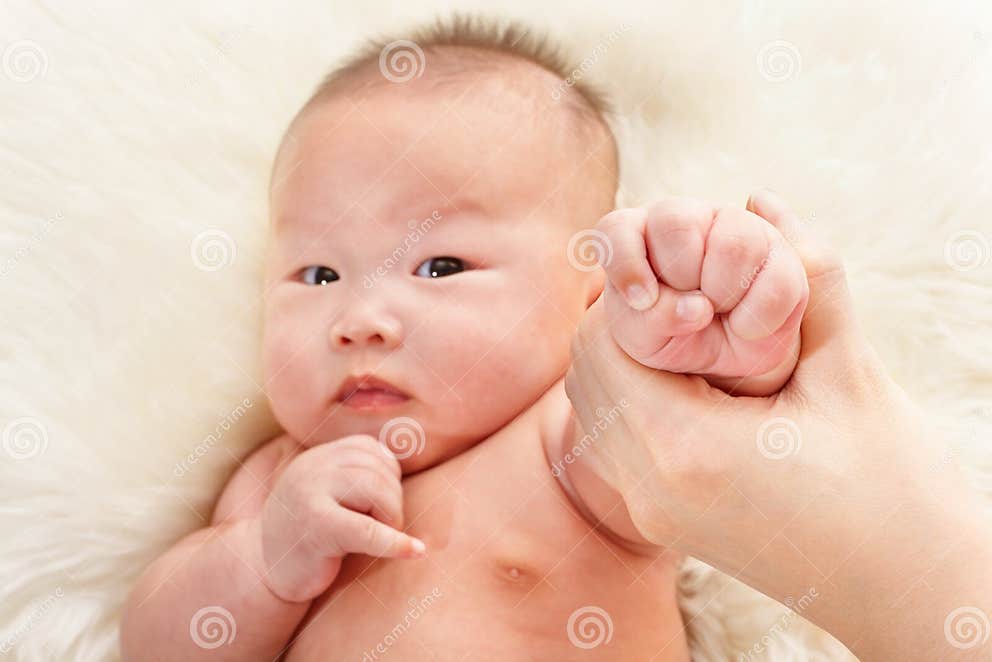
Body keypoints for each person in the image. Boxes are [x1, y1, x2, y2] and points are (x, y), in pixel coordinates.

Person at [564, 187, 992, 661]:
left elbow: (645, 447)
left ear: (583, 290)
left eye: (461, 265)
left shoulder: (549, 444)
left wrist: (704, 349)